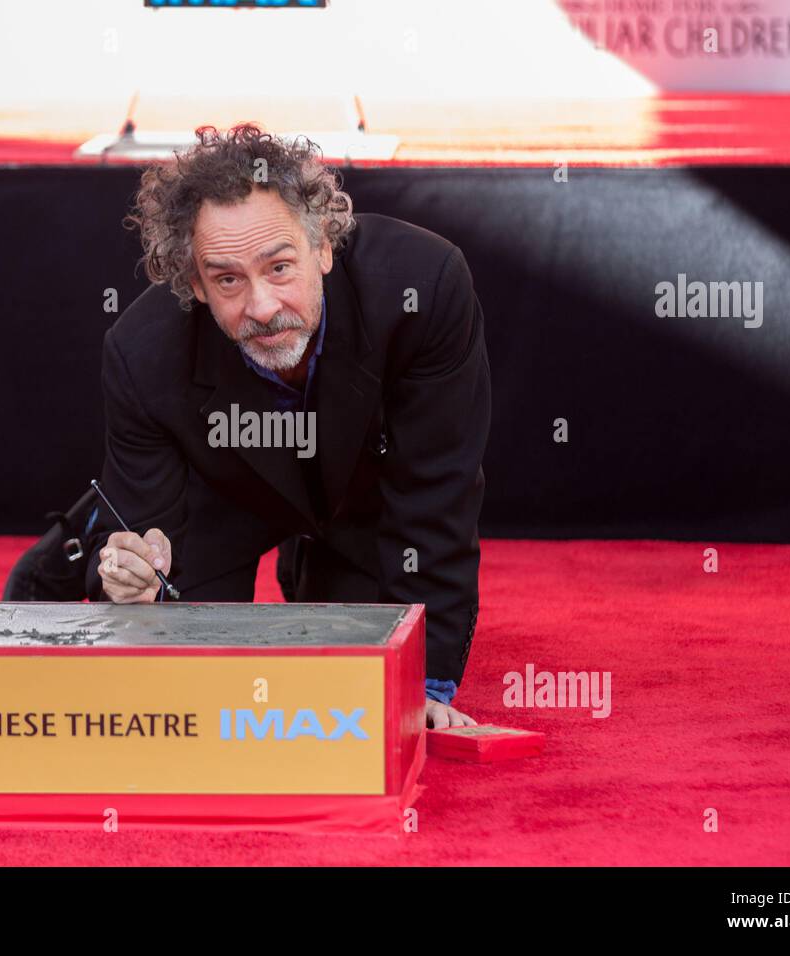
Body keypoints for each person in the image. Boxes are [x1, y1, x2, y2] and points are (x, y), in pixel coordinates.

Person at [87, 123, 490, 729]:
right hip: (223, 492)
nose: (263, 307)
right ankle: (67, 540)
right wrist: (128, 573)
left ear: (324, 246)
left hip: (362, 491)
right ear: (194, 285)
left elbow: (437, 494)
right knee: (188, 681)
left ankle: (316, 561)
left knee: (357, 668)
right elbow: (146, 535)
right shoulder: (141, 355)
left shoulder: (424, 288)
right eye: (227, 279)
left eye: (279, 267)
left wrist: (425, 680)